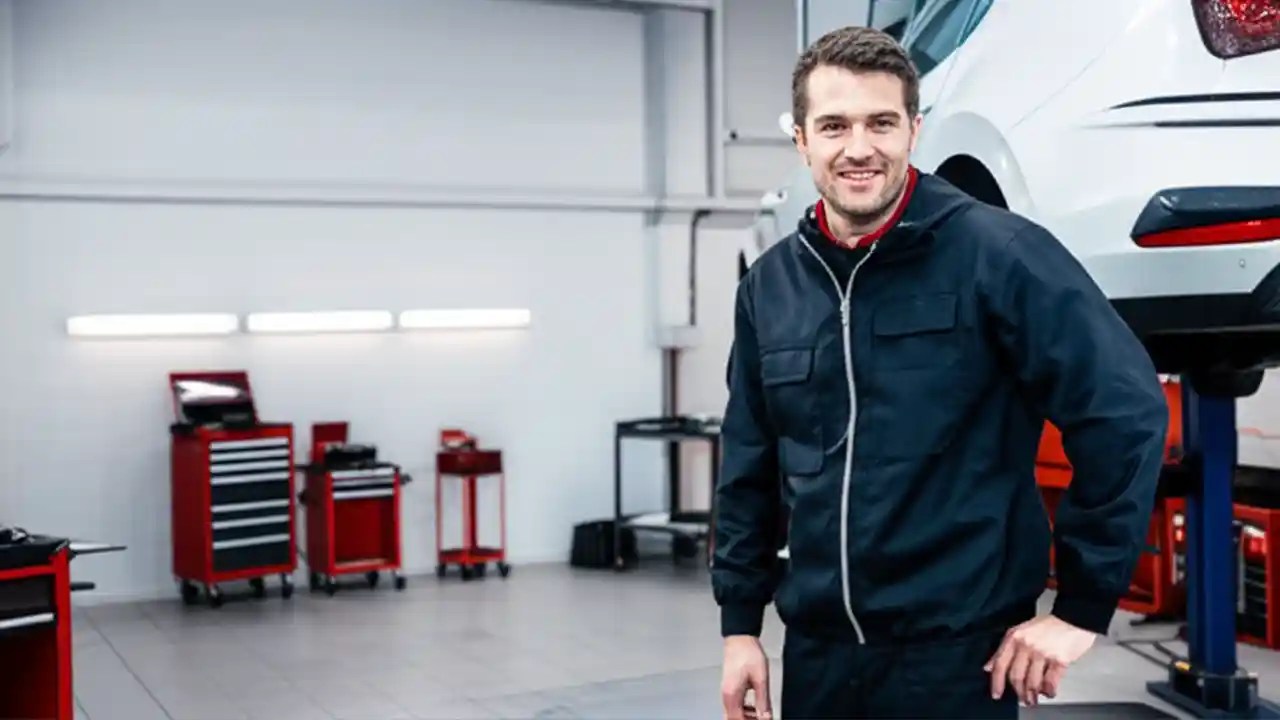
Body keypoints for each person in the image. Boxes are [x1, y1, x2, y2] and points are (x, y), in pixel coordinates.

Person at [712, 25, 1169, 720]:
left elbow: (1125, 410)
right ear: (802, 139)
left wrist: (1081, 608)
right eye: (833, 125)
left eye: (881, 123)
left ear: (914, 131)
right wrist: (740, 626)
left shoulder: (999, 254)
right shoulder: (771, 287)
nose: (858, 148)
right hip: (817, 658)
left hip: (956, 664)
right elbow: (749, 460)